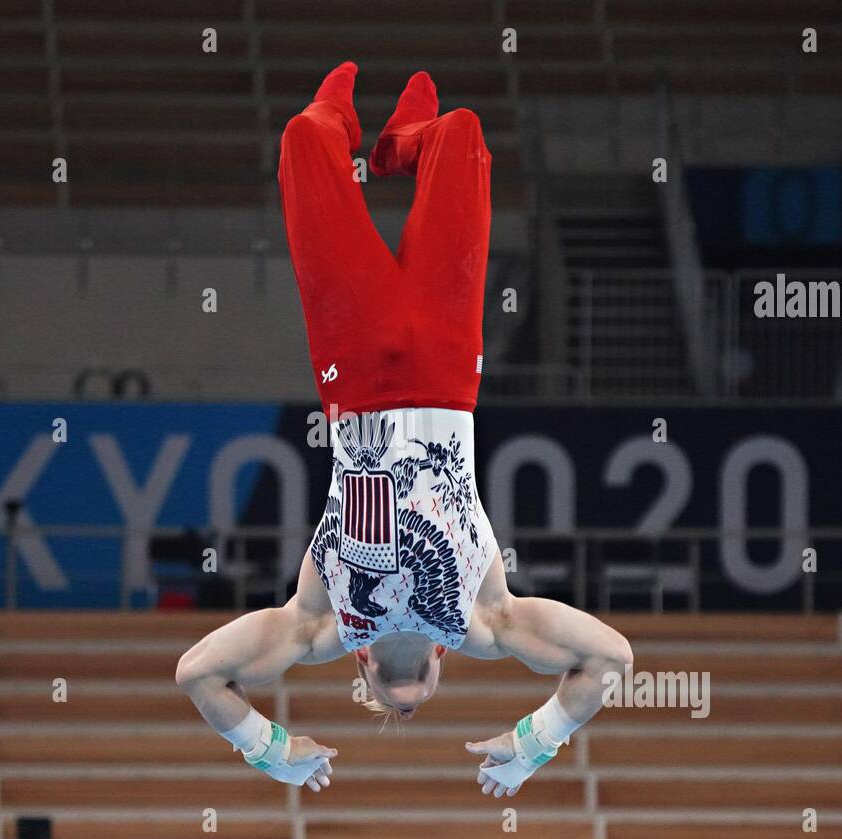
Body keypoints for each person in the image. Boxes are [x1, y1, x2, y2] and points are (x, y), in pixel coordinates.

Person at [176, 63, 632, 798]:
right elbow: (197, 674)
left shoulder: (464, 622)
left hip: (426, 375)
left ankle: (393, 131)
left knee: (467, 140)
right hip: (381, 372)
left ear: (434, 664)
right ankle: (380, 131)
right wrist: (269, 748)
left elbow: (612, 659)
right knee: (324, 148)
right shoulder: (384, 623)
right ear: (369, 668)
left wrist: (536, 742)